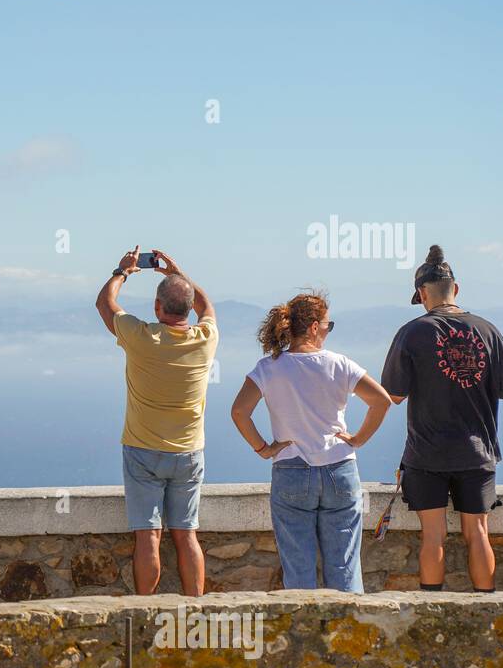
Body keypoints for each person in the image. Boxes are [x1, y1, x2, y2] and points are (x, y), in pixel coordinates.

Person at [230, 292, 391, 592]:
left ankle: (303, 635)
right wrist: (357, 439)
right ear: (315, 327)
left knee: (298, 568)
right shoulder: (340, 364)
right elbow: (381, 401)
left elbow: (239, 412)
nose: (329, 331)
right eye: (329, 326)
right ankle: (348, 633)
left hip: (291, 470)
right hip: (339, 470)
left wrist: (264, 449)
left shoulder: (269, 368)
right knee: (344, 566)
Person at [379, 246, 503, 592]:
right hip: (477, 452)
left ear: (423, 294)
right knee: (478, 533)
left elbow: (391, 396)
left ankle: (432, 610)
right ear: (456, 289)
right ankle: (487, 606)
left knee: (433, 535)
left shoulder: (411, 334)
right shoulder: (490, 332)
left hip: (427, 455)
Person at [95, 247, 218, 596]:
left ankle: (143, 610)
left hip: (143, 451)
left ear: (157, 308)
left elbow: (105, 305)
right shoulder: (205, 339)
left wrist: (122, 272)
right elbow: (207, 308)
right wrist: (178, 276)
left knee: (148, 536)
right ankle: (195, 609)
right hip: (189, 453)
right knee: (186, 534)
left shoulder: (140, 336)